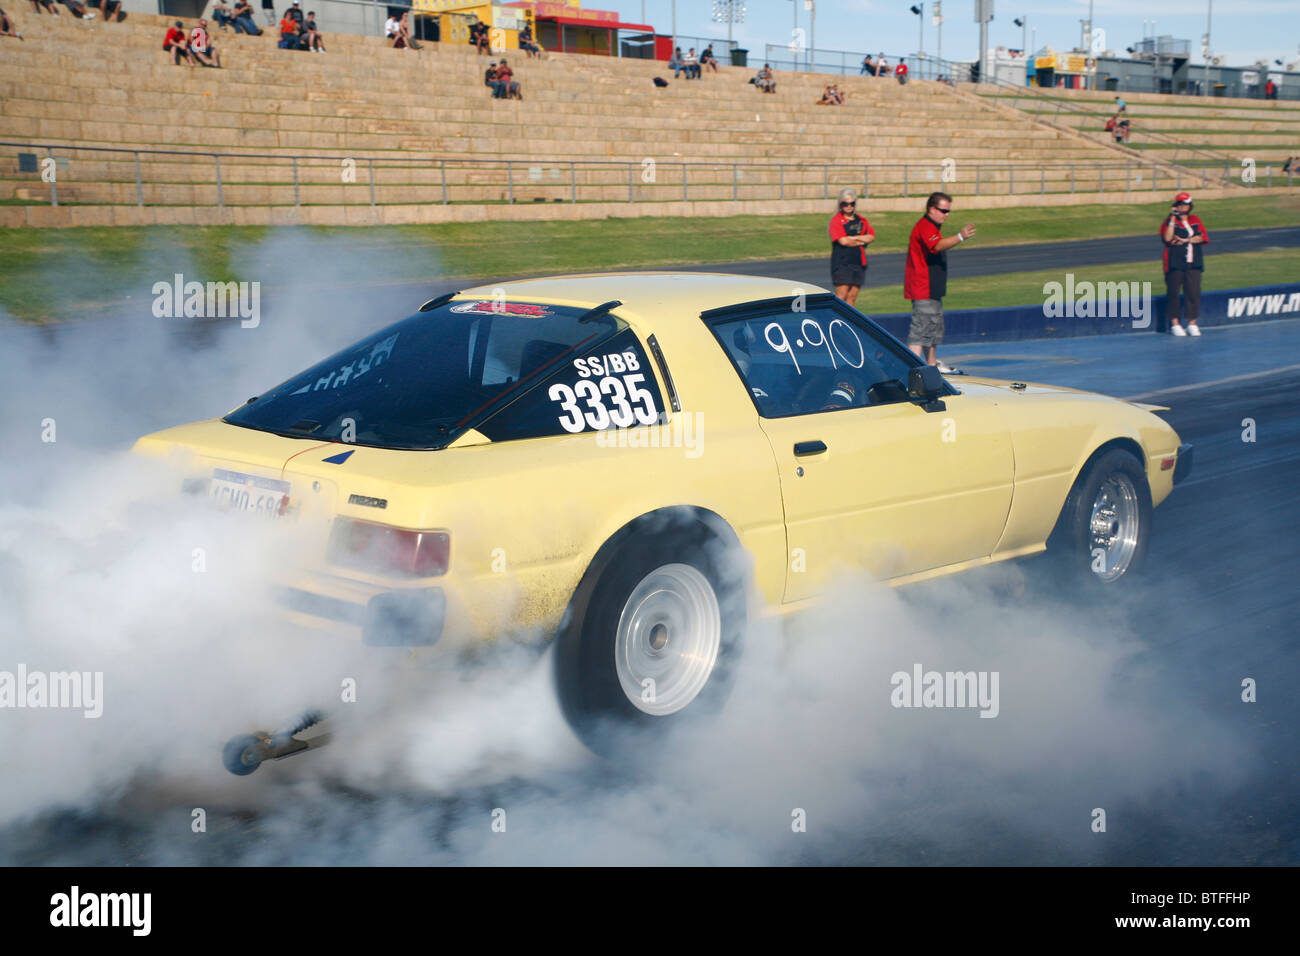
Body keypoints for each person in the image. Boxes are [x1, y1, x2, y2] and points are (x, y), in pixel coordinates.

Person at [903, 191, 976, 370]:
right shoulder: (925, 226)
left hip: (932, 288)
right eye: (943, 210)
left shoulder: (933, 227)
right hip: (923, 287)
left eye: (948, 211)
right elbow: (937, 245)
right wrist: (960, 237)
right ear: (932, 209)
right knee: (920, 330)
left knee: (932, 329)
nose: (946, 215)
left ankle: (931, 364)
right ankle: (912, 369)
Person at [1161, 192, 1209, 336]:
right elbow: (1168, 238)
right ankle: (1175, 323)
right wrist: (1172, 218)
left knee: (1193, 292)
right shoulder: (1170, 221)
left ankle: (1192, 323)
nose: (1183, 207)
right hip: (1175, 261)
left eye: (1185, 205)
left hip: (1193, 261)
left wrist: (1186, 240)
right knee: (1173, 292)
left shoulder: (1195, 220)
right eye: (1180, 205)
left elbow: (1202, 237)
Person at [829, 188, 874, 307]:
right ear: (840, 204)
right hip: (842, 263)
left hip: (858, 262)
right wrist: (861, 240)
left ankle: (849, 318)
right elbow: (843, 241)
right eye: (845, 203)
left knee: (852, 297)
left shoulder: (861, 220)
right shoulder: (837, 220)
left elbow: (871, 236)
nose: (849, 206)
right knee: (841, 296)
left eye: (852, 203)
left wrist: (854, 238)